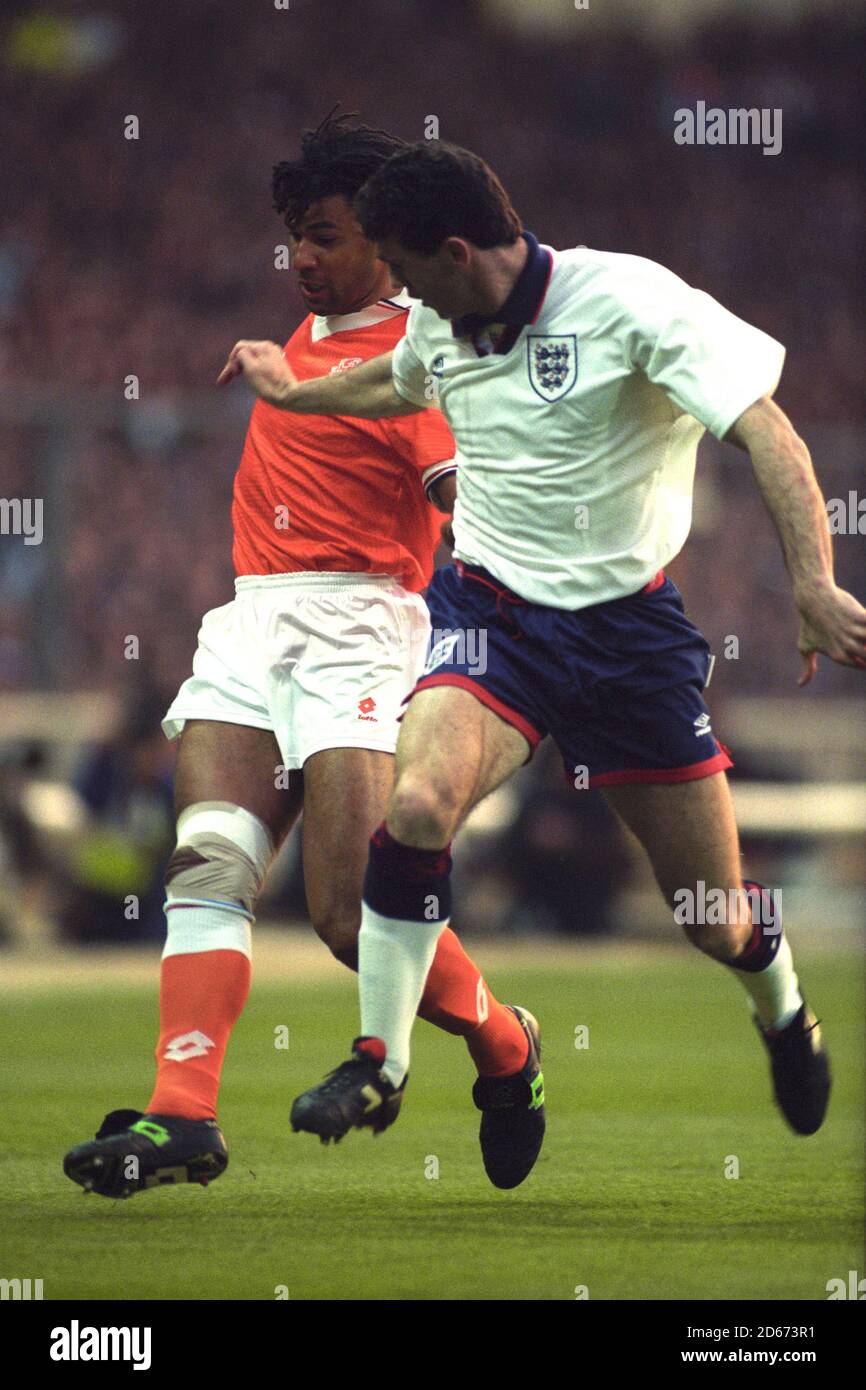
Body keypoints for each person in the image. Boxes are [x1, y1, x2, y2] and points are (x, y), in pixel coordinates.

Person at [218, 140, 865, 1149]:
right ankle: (378, 1060)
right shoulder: (437, 321)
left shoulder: (629, 303)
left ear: (455, 248)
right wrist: (296, 392)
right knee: (420, 804)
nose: (394, 287)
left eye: (402, 264)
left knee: (710, 916)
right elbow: (397, 382)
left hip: (628, 636)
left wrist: (813, 581)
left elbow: (767, 432)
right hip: (491, 615)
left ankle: (780, 1005)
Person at [63, 120, 544, 1202]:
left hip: (361, 634)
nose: (301, 259)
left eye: (322, 238)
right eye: (294, 238)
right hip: (249, 626)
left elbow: (469, 501)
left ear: (387, 242)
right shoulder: (318, 329)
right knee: (207, 867)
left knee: (344, 916)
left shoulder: (418, 357)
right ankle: (182, 1114)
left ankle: (506, 1042)